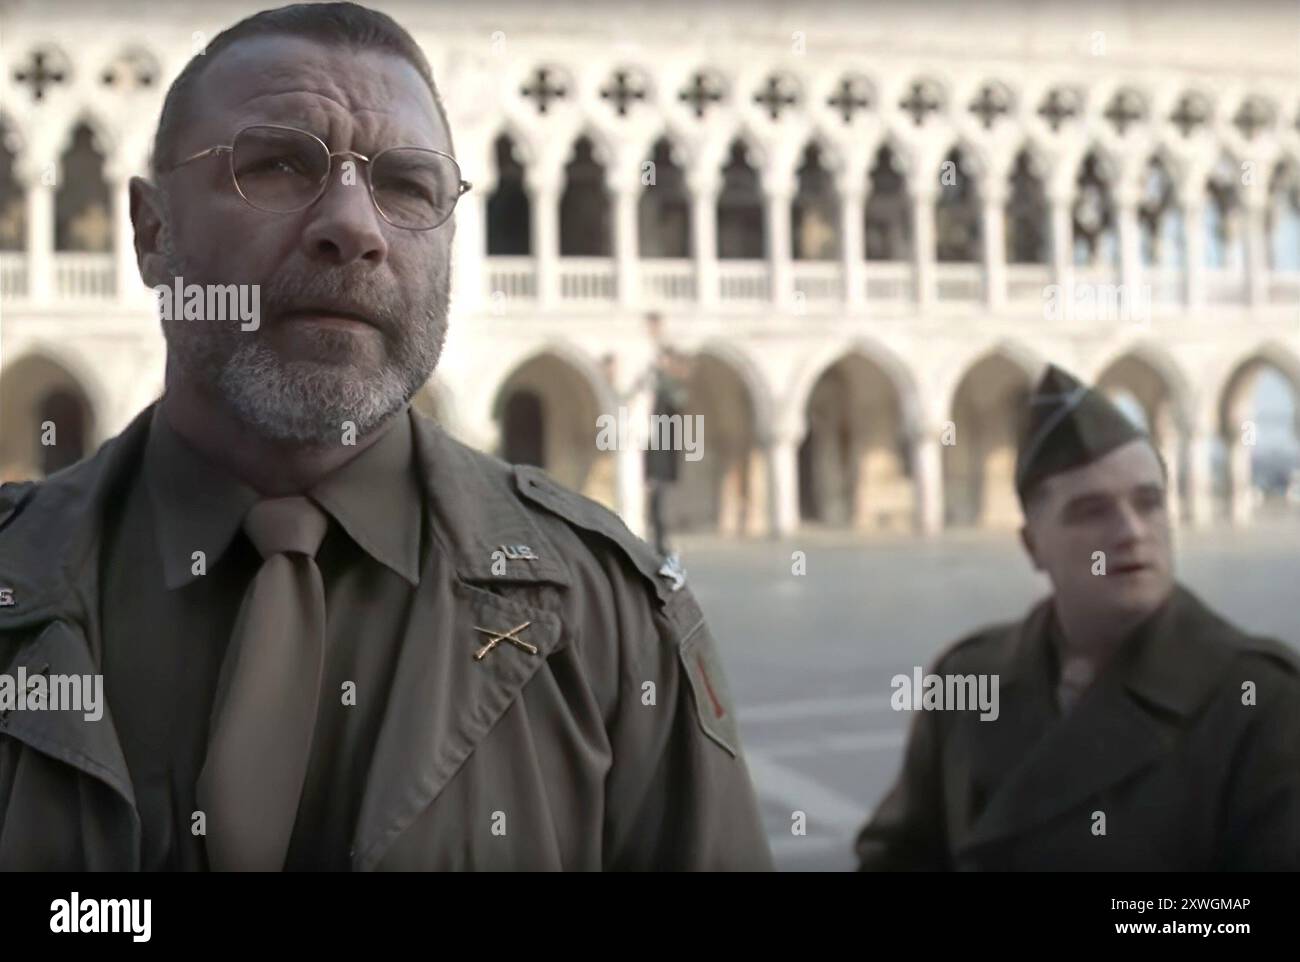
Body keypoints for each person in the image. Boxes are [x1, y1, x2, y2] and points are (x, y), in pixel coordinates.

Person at [0, 2, 770, 872]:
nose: (356, 228)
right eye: (280, 166)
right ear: (149, 231)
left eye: (408, 186)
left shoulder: (613, 626)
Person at [855, 364, 1300, 870]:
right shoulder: (966, 678)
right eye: (1092, 511)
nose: (1131, 531)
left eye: (1148, 503)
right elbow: (896, 856)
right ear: (1033, 546)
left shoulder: (1259, 698)